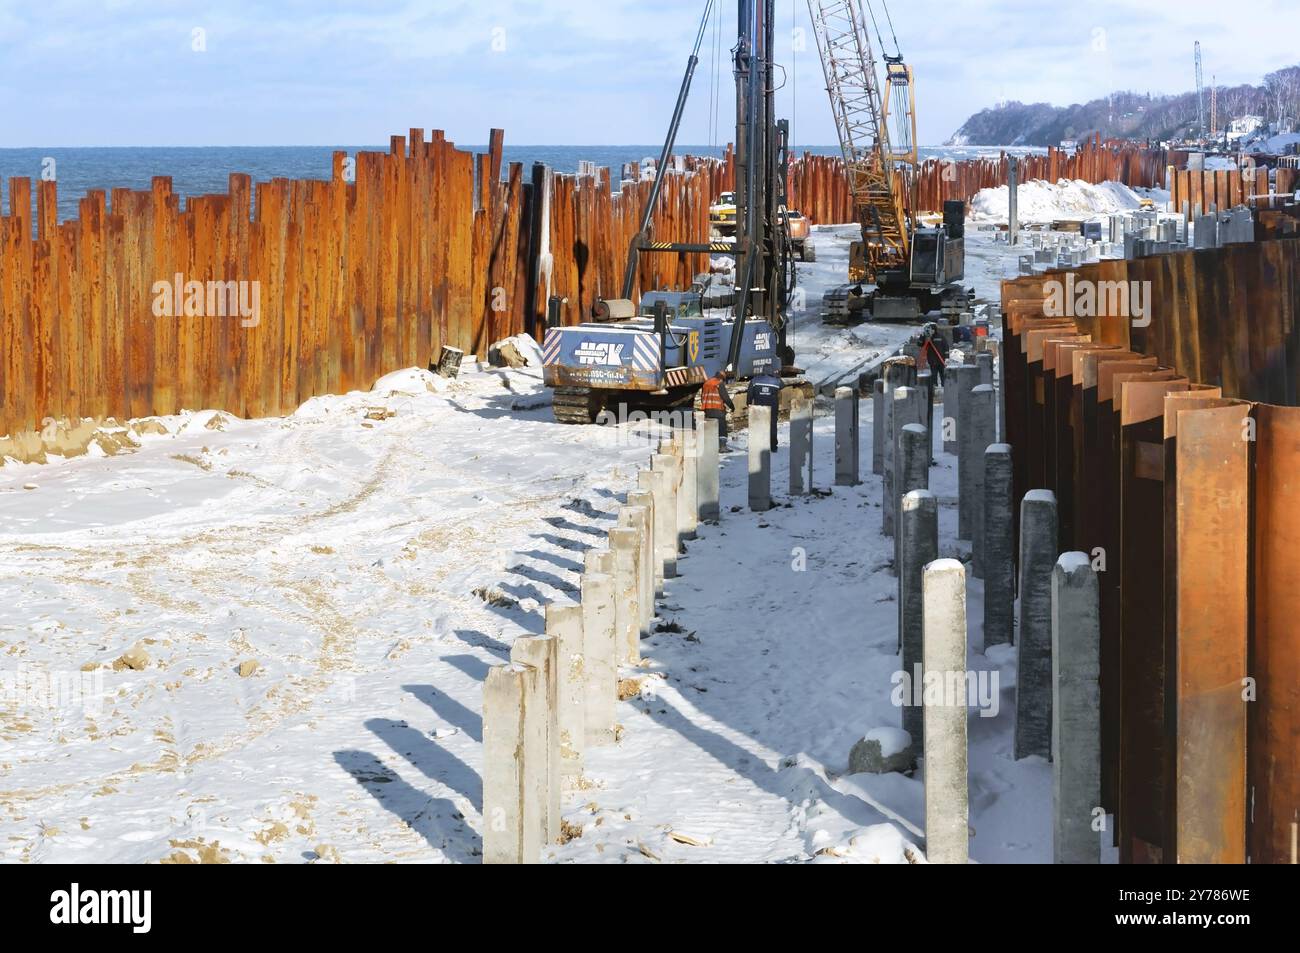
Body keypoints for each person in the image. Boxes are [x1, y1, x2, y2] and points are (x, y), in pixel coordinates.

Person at [746, 363, 782, 451]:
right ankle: (773, 446)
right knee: (772, 426)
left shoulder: (754, 380)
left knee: (759, 425)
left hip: (759, 407)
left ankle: (760, 445)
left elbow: (750, 393)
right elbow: (782, 385)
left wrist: (749, 403)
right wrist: (775, 376)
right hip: (772, 407)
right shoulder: (776, 381)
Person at [701, 368, 734, 451]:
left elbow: (702, 397)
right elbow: (725, 397)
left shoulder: (706, 383)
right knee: (722, 428)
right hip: (718, 410)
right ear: (721, 377)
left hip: (708, 409)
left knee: (711, 428)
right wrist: (732, 406)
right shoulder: (719, 383)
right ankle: (722, 447)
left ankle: (711, 446)